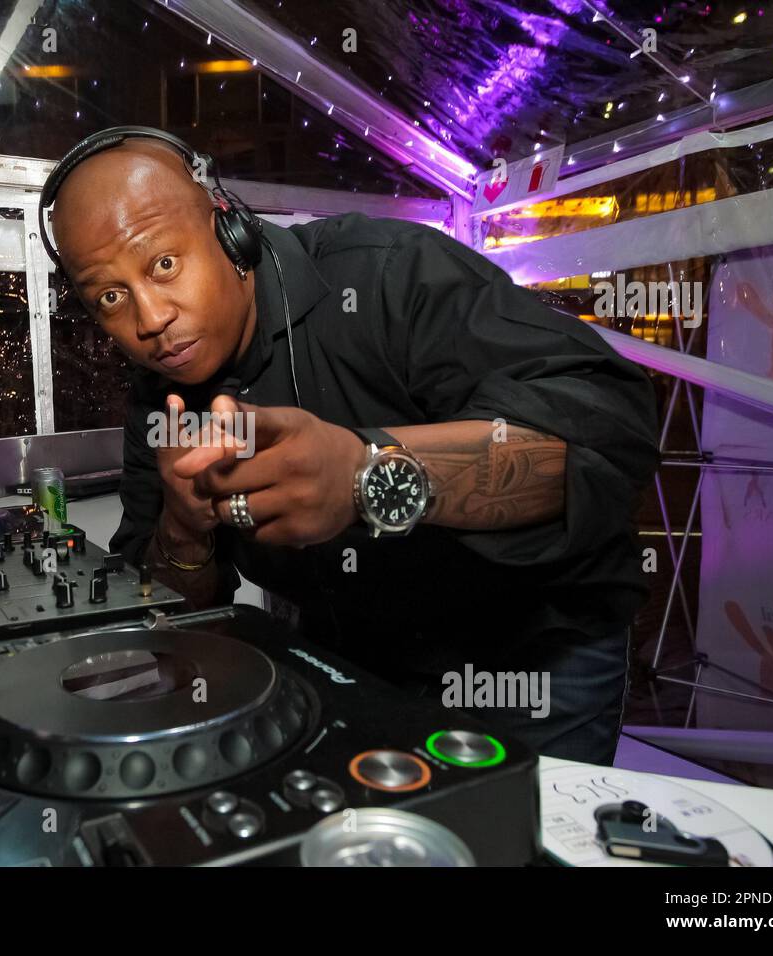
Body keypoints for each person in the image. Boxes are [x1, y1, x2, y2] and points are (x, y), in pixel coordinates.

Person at [42, 127, 660, 765]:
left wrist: (366, 475)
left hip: (532, 654)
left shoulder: (387, 272)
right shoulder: (159, 399)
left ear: (230, 229)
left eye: (164, 264)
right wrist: (184, 526)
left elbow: (607, 427)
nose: (149, 319)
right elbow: (165, 619)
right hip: (352, 653)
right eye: (111, 297)